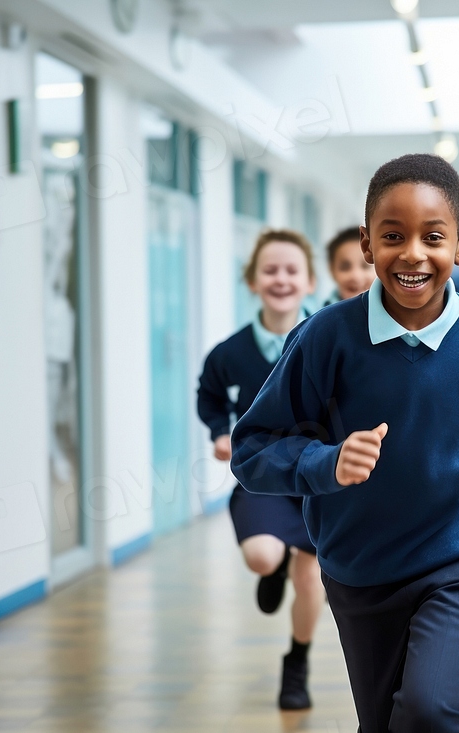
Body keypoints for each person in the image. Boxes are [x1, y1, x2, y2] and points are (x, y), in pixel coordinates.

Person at [230, 153, 459, 733]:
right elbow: (254, 447)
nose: (412, 253)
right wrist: (327, 464)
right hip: (360, 568)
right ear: (365, 243)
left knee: (429, 712)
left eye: (433, 237)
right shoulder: (325, 337)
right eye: (393, 236)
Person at [196, 228, 325, 711]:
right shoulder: (230, 352)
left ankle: (297, 664)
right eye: (270, 270)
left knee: (311, 579)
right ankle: (274, 569)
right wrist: (219, 431)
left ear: (309, 281)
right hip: (261, 476)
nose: (281, 279)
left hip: (317, 479)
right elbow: (208, 394)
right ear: (252, 281)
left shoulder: (324, 337)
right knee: (262, 559)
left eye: (292, 271)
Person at [323, 225, 376, 305]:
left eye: (365, 266)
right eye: (345, 268)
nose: (356, 276)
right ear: (332, 270)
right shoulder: (320, 315)